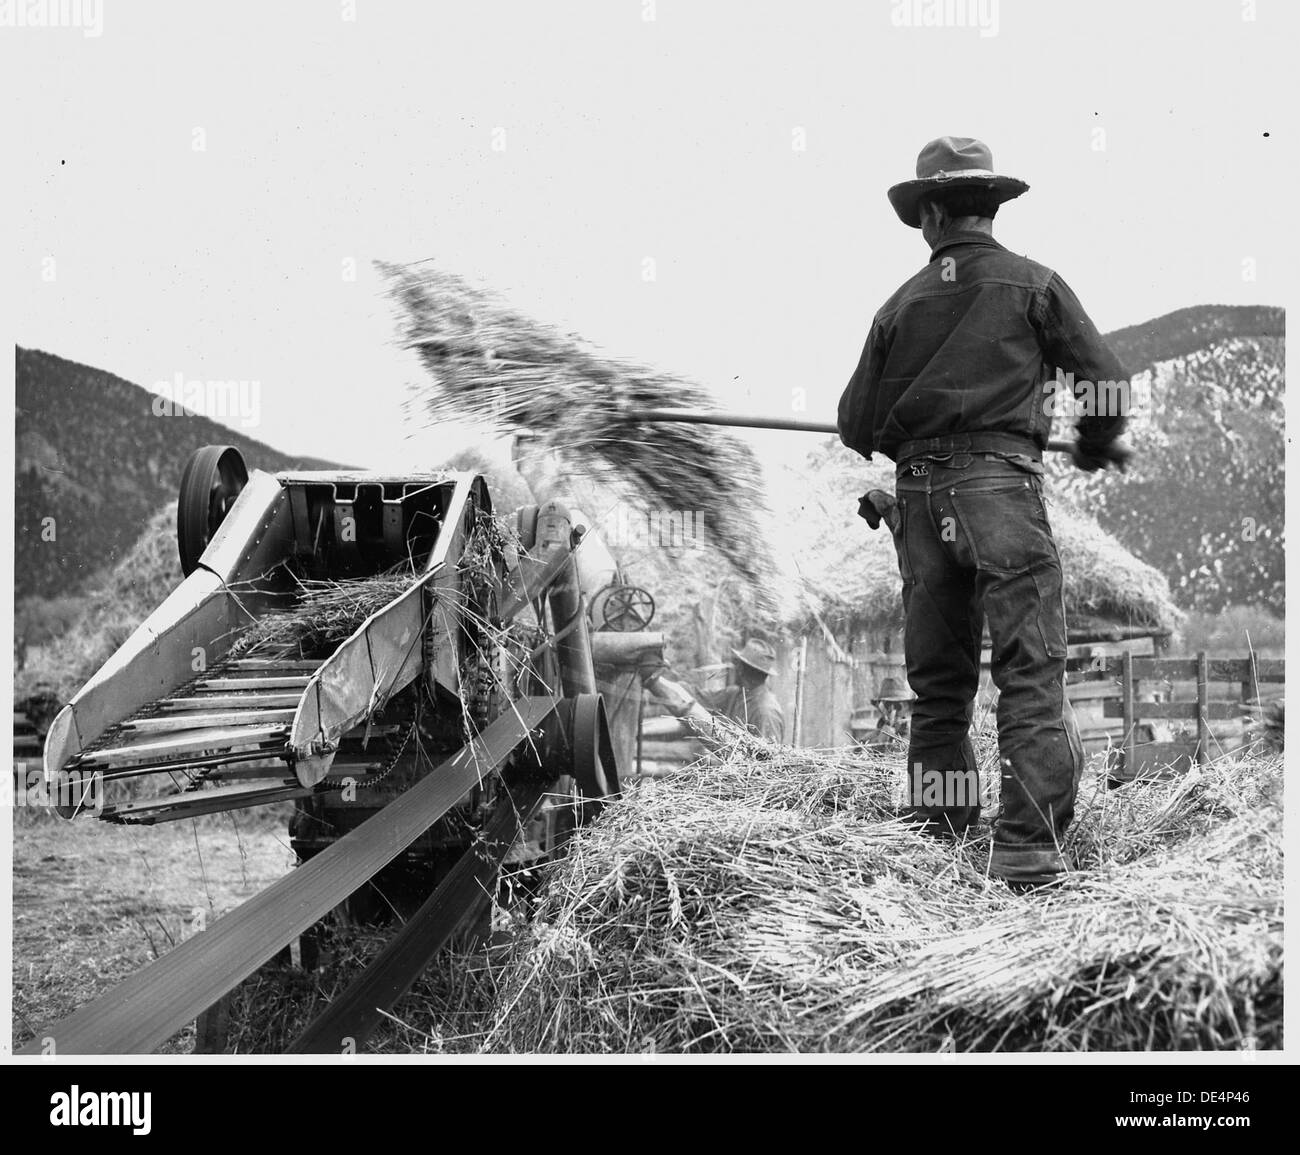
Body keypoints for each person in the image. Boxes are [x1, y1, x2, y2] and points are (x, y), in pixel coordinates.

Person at [837, 136, 1129, 888]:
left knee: (940, 683)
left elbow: (856, 425)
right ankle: (1026, 847)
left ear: (931, 213)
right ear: (989, 210)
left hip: (919, 494)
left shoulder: (896, 307)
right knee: (1030, 668)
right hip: (999, 488)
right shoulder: (1035, 285)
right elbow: (1105, 385)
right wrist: (1095, 442)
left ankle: (939, 831)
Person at [646, 638, 785, 744]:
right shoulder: (736, 694)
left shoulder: (766, 712)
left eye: (737, 665)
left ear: (741, 669)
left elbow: (767, 766)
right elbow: (698, 696)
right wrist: (661, 678)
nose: (734, 668)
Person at [858, 676, 915, 750]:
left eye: (897, 705)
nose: (892, 710)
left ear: (908, 707)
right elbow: (857, 756)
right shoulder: (869, 739)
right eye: (887, 705)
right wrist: (879, 742)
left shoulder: (916, 737)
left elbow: (919, 761)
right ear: (880, 707)